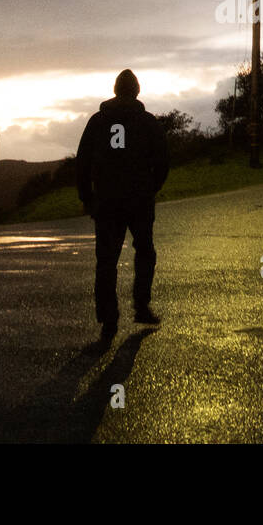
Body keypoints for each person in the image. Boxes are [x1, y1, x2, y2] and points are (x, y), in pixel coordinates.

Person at [76, 69, 169, 341]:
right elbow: (163, 161)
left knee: (106, 261)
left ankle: (108, 319)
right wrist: (151, 188)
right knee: (144, 252)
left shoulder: (97, 121)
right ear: (137, 91)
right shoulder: (148, 122)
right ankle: (141, 306)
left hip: (106, 202)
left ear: (115, 90)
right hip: (139, 200)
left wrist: (87, 197)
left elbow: (82, 163)